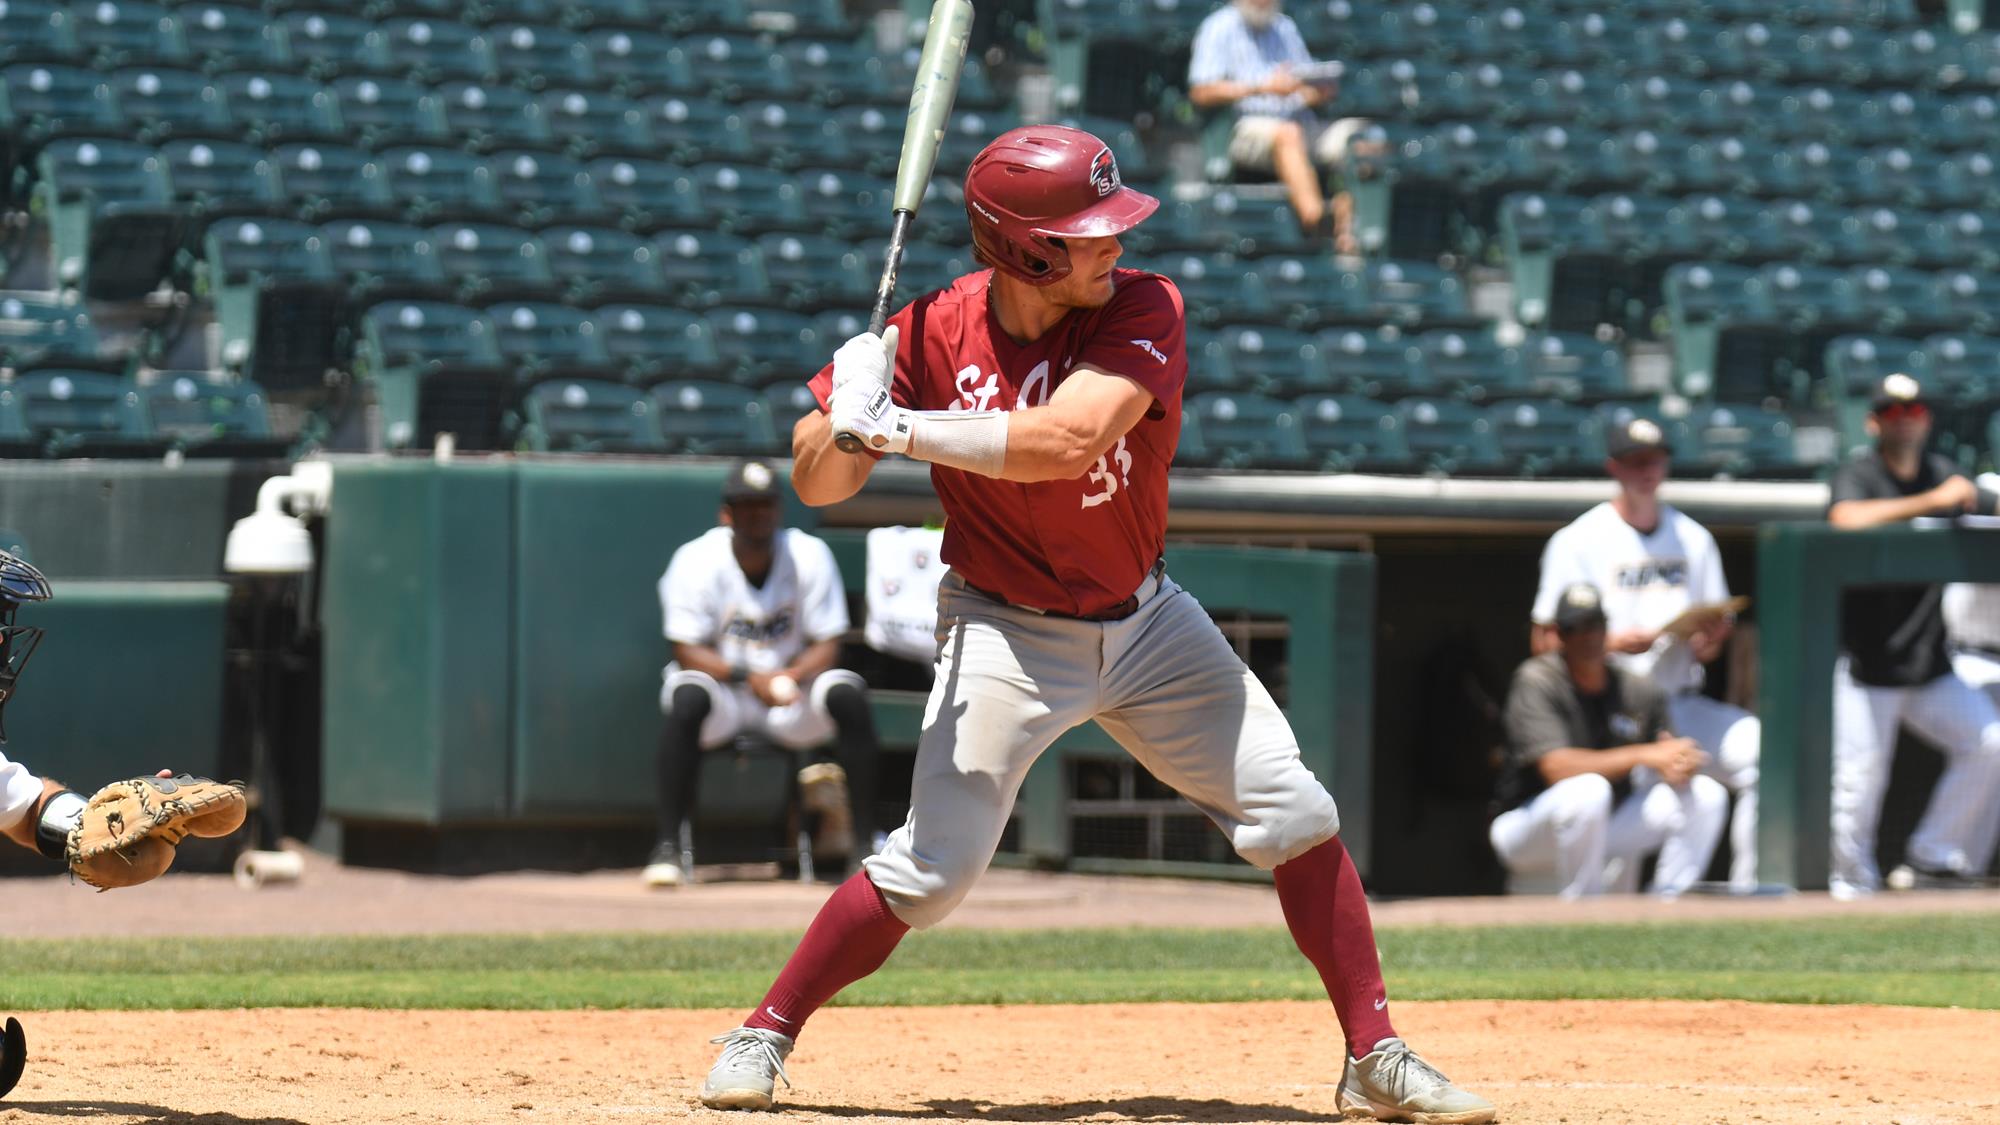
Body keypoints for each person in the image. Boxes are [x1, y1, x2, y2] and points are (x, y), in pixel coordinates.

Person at [694, 124, 1494, 1124]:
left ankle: (1372, 1055)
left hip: (1146, 621)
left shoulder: (1145, 306)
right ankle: (762, 1032)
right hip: (1003, 629)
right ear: (1025, 247)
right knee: (931, 875)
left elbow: (1063, 441)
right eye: (1086, 232)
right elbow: (820, 484)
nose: (1113, 243)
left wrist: (895, 427)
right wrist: (840, 417)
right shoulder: (931, 330)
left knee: (1293, 814)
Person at [1529, 417, 1762, 891]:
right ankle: (1619, 913)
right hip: (1612, 705)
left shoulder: (1693, 538)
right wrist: (1614, 642)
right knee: (1630, 822)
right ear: (1614, 466)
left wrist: (1709, 639)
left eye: (1654, 459)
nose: (1646, 470)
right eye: (1636, 461)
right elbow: (1543, 643)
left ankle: (1744, 891)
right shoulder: (1579, 540)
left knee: (1761, 751)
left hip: (1681, 697)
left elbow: (1710, 647)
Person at [646, 460, 882, 889]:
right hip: (726, 693)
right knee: (686, 697)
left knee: (847, 694)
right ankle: (667, 849)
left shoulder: (807, 554)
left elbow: (829, 643)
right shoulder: (697, 559)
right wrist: (747, 677)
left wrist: (790, 675)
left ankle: (863, 846)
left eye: (765, 505)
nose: (757, 515)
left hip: (791, 694)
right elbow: (684, 649)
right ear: (726, 514)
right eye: (746, 505)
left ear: (778, 510)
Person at [1826, 374, 2000, 899]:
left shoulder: (1943, 471)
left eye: (1915, 410)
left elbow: (1976, 502)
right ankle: (1849, 885)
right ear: (1874, 421)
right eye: (1894, 412)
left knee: (1990, 743)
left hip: (1929, 665)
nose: (1906, 419)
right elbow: (1845, 518)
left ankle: (1932, 856)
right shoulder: (1861, 471)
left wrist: (1969, 497)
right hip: (1866, 663)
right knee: (1859, 781)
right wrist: (1930, 501)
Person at [1493, 583, 1729, 898]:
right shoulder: (1538, 679)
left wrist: (1678, 763)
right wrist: (1645, 754)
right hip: (1528, 827)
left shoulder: (1636, 688)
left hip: (1606, 824)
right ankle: (1585, 913)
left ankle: (1669, 908)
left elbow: (1666, 750)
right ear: (1560, 636)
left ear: (1606, 628)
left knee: (1706, 795)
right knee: (1589, 791)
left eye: (1595, 624)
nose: (1587, 636)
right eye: (1574, 628)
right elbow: (1557, 768)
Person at [1187, 0, 1384, 255]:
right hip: (1243, 126)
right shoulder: (1218, 26)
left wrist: (1318, 91)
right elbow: (1201, 92)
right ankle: (1316, 221)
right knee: (1287, 133)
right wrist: (1262, 87)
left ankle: (1347, 230)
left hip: (1299, 118)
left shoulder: (1284, 26)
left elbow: (1303, 79)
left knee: (1365, 137)